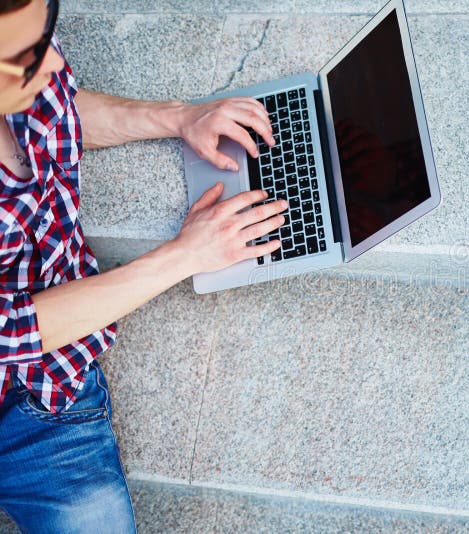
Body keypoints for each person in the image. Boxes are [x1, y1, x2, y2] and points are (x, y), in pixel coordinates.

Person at [0, 0, 287, 531]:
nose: (56, 65)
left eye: (46, 39)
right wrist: (188, 254)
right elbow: (12, 330)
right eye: (26, 57)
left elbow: (54, 103)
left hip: (43, 393)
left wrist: (177, 116)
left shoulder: (21, 45)